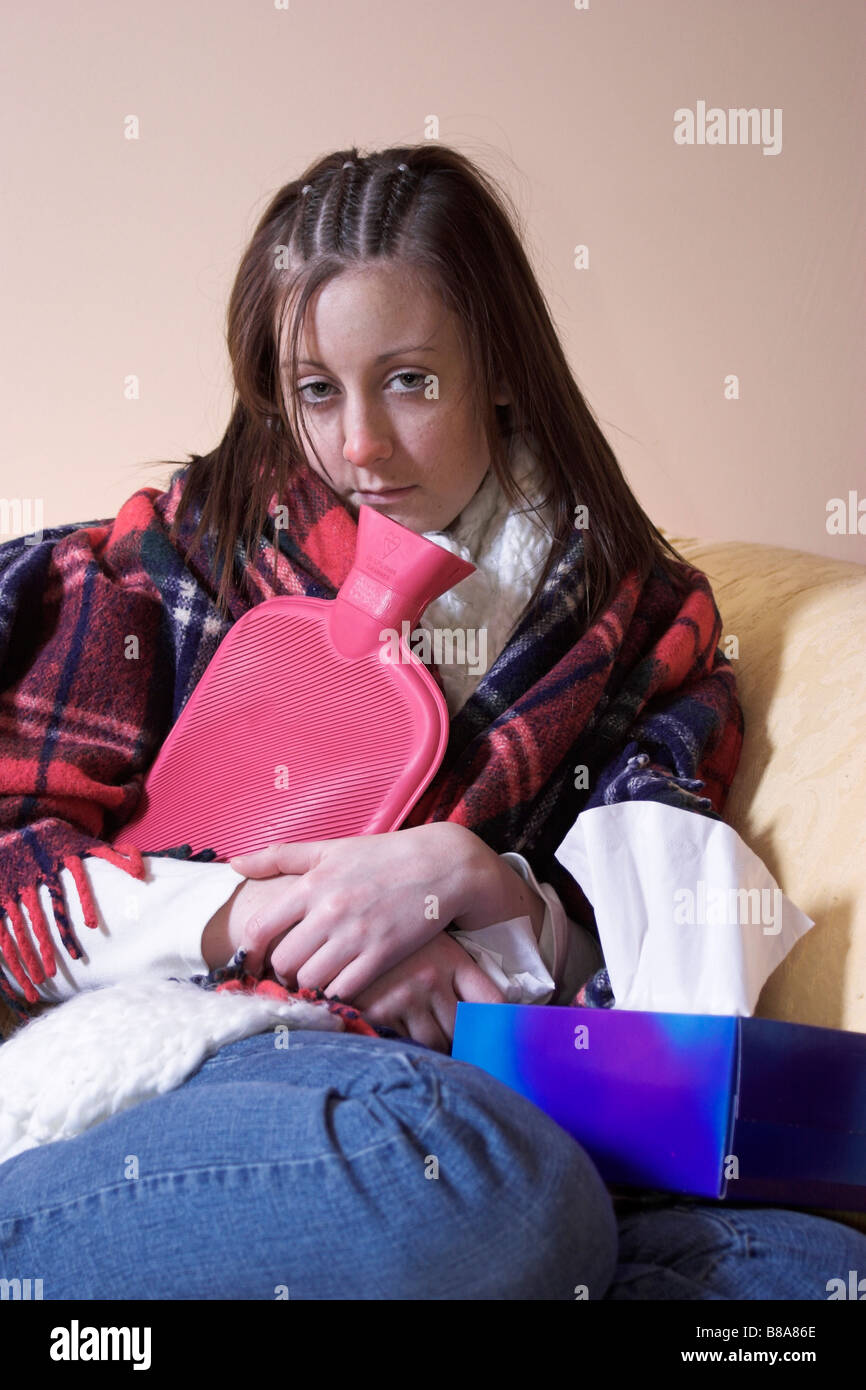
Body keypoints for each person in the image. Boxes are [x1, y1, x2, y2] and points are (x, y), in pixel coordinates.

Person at [0, 143, 863, 1301]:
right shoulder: (160, 571)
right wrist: (278, 914)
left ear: (498, 368)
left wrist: (486, 888)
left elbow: (663, 995)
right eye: (316, 390)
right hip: (181, 1085)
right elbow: (19, 870)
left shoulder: (634, 621)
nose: (357, 443)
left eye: (408, 381)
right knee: (491, 1195)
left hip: (493, 1103)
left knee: (807, 1280)